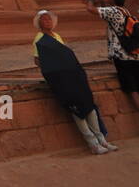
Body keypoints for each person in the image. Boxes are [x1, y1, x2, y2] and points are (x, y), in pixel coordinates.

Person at [32, 10, 117, 154]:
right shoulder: (39, 40)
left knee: (89, 105)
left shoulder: (56, 36)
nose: (48, 22)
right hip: (61, 79)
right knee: (76, 109)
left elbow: (65, 54)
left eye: (50, 19)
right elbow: (39, 60)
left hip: (73, 75)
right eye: (44, 20)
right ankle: (93, 144)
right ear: (39, 23)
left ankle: (102, 139)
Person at [85, 0, 139, 112]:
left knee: (133, 90)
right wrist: (103, 1)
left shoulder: (112, 11)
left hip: (122, 56)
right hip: (134, 54)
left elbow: (90, 9)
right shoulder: (125, 11)